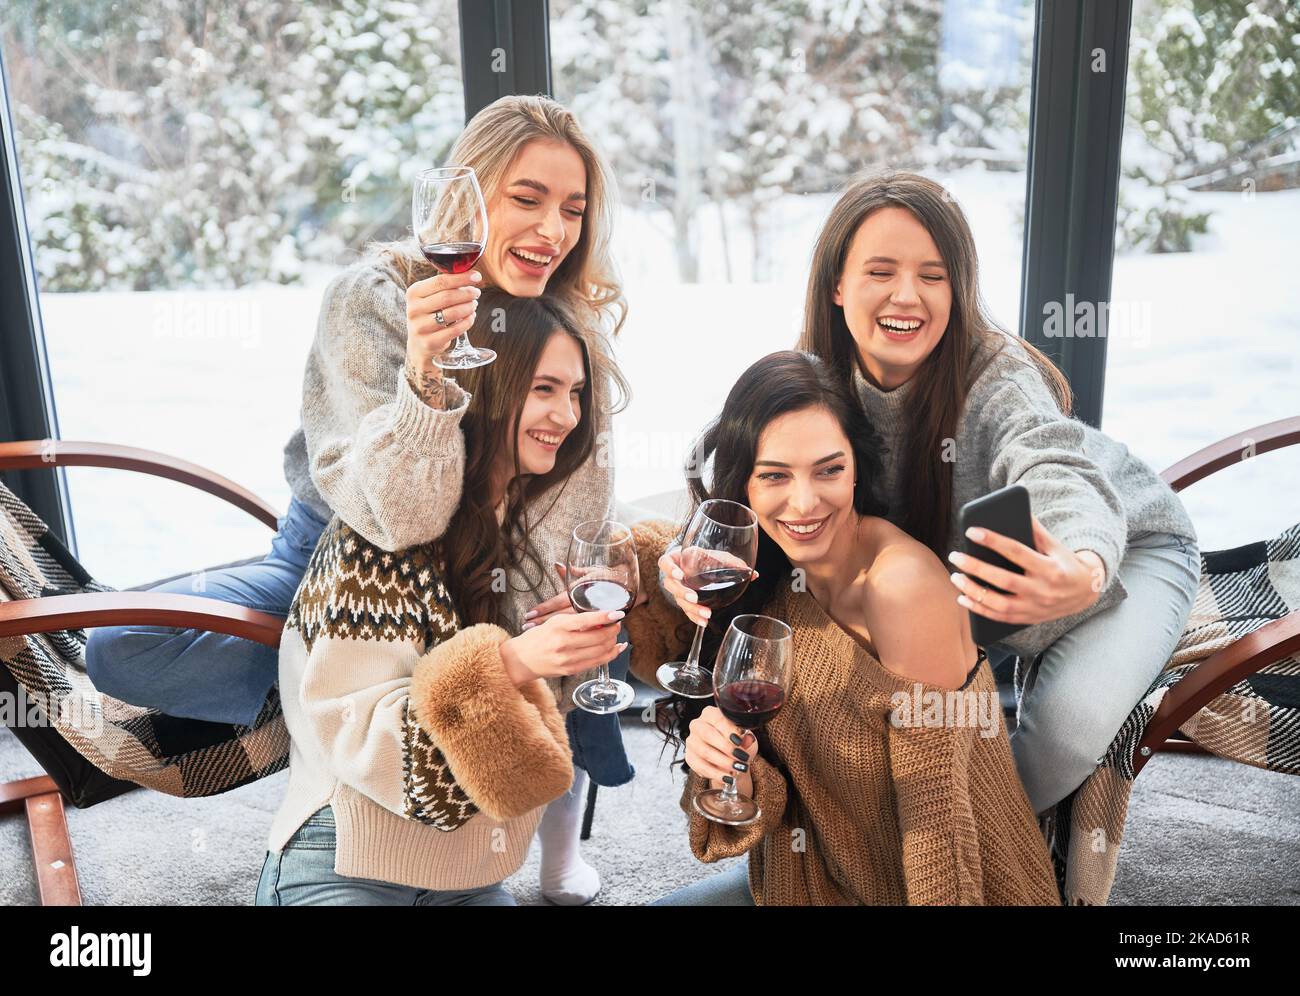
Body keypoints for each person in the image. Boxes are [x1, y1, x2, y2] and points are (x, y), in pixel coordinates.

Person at [86, 94, 631, 903]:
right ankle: (325, 698)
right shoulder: (374, 297)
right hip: (344, 547)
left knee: (577, 616)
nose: (553, 231)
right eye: (527, 199)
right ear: (469, 192)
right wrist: (426, 371)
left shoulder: (567, 319)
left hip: (490, 552)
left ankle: (540, 836)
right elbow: (395, 518)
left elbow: (577, 498)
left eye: (573, 210)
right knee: (117, 645)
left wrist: (547, 597)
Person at [795, 169, 1200, 815]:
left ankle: (967, 859)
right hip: (999, 604)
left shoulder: (996, 380)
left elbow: (1057, 467)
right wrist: (689, 550)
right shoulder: (812, 387)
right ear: (837, 284)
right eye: (880, 271)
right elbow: (731, 460)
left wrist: (1085, 564)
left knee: (1064, 736)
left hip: (1130, 555)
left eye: (934, 276)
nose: (908, 296)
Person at [255, 289, 642, 905]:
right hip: (346, 856)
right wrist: (515, 663)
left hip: (471, 874)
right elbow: (365, 741)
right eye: (544, 389)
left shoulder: (528, 521)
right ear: (488, 390)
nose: (568, 416)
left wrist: (641, 574)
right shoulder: (386, 529)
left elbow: (530, 745)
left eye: (575, 394)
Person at [640, 351, 1061, 905]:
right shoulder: (771, 575)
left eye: (828, 470)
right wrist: (729, 770)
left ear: (857, 468)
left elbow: (941, 832)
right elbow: (778, 790)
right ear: (744, 485)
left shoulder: (901, 587)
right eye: (774, 476)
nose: (805, 501)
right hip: (806, 878)